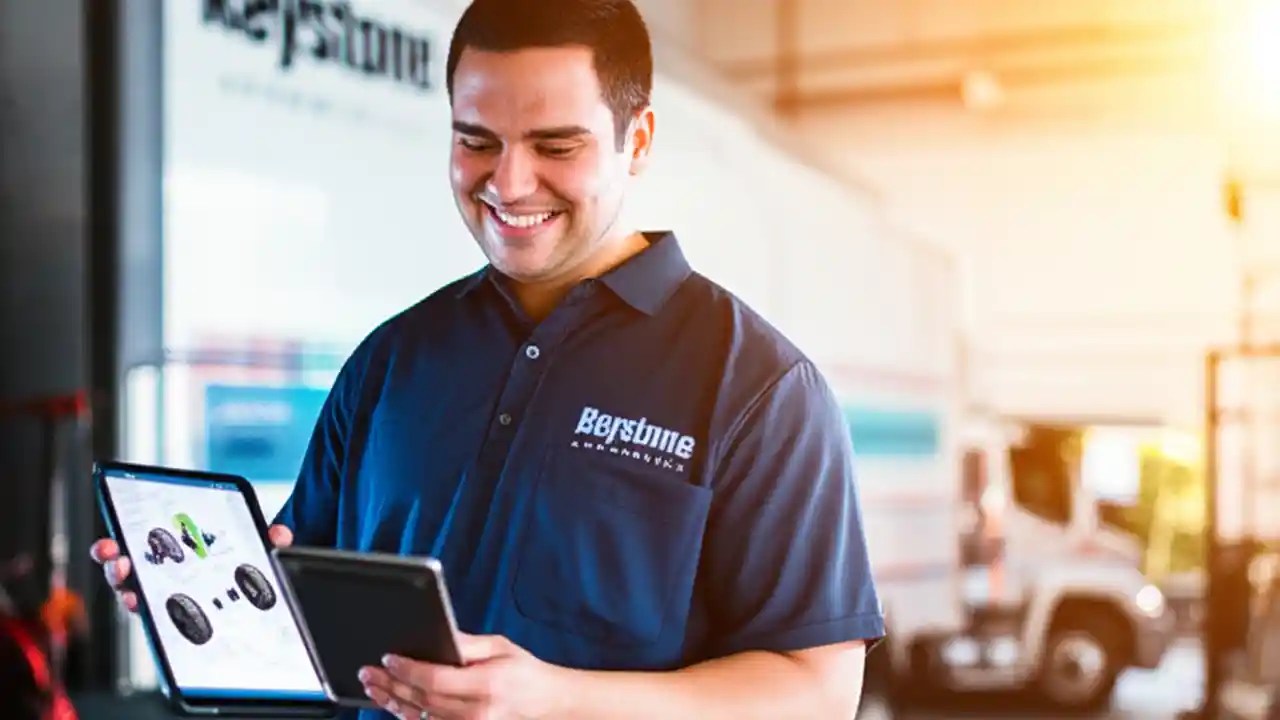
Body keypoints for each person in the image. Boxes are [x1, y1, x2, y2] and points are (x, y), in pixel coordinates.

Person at [91, 0, 886, 717]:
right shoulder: (392, 360)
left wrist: (559, 700)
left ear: (636, 140)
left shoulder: (757, 385)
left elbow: (814, 691)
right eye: (477, 141)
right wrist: (212, 588)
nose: (508, 182)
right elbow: (309, 609)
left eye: (555, 145)